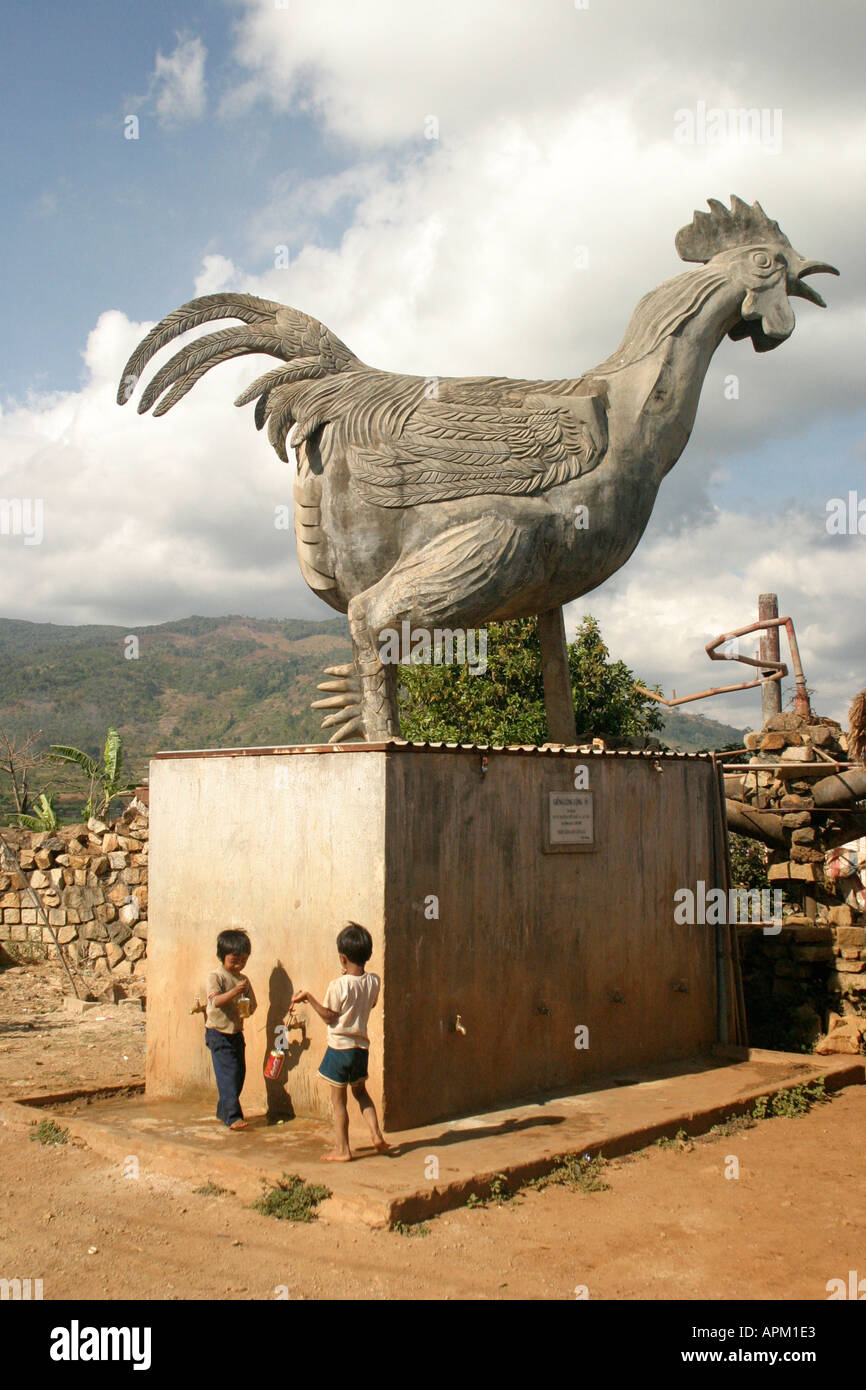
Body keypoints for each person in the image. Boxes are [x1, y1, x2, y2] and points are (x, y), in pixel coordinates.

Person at [292, 923, 389, 1162]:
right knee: (361, 1093)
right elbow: (372, 1004)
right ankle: (376, 1135)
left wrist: (309, 998)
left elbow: (329, 1017)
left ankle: (343, 1149)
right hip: (360, 1049)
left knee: (338, 1102)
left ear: (342, 958)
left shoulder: (338, 985)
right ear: (368, 954)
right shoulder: (374, 981)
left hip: (339, 1048)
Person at [204, 929, 257, 1131]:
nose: (239, 965)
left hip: (235, 1032)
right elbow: (216, 1001)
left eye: (243, 961)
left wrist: (248, 1007)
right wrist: (234, 991)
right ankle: (233, 1117)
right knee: (228, 1075)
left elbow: (252, 1004)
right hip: (218, 1033)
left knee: (238, 1075)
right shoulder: (216, 977)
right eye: (234, 960)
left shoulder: (244, 980)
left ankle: (222, 1110)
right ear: (222, 956)